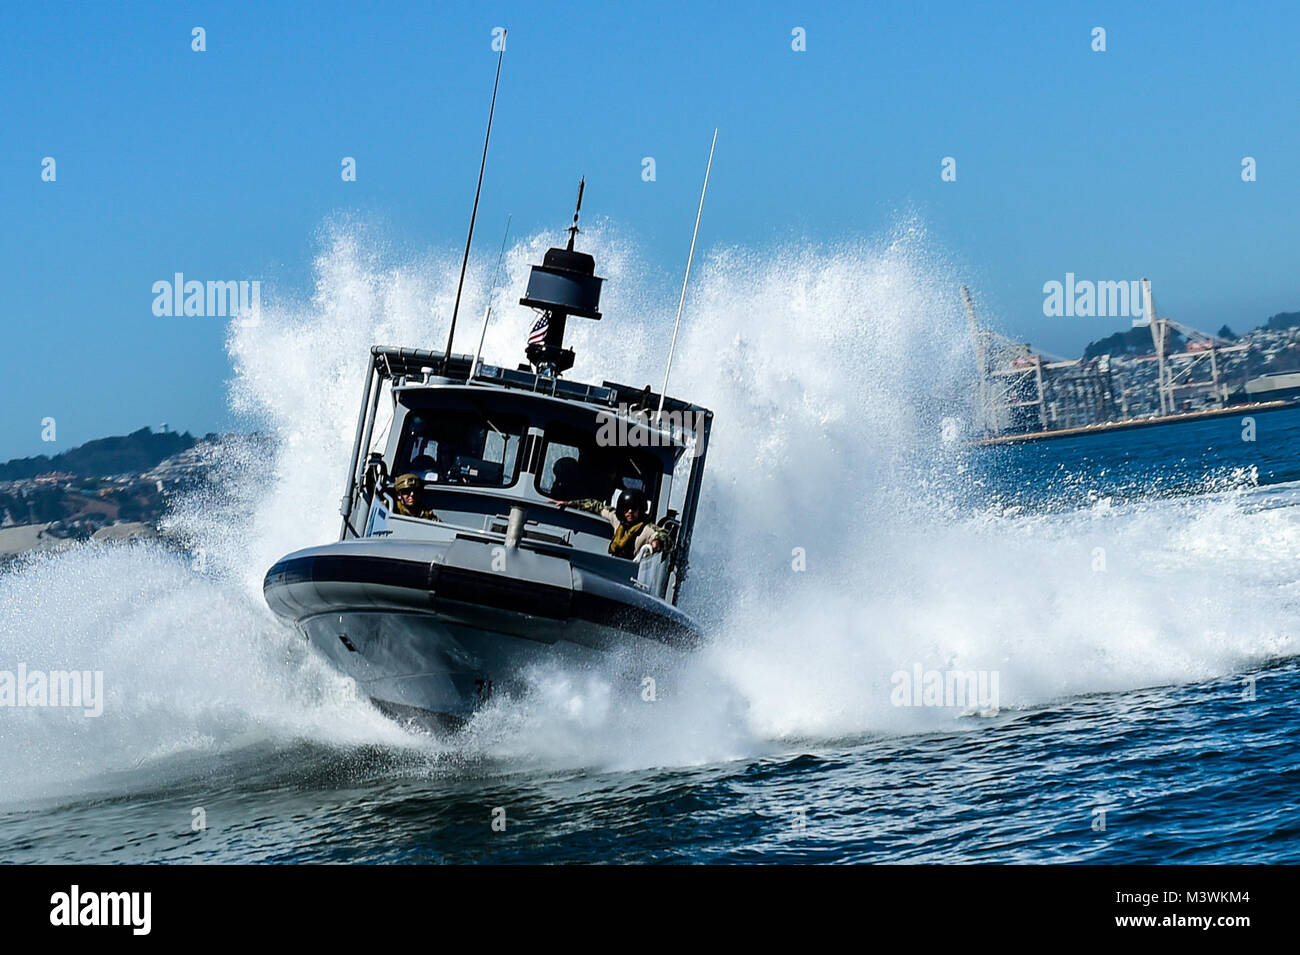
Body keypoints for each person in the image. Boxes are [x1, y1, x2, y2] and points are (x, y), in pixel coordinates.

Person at [551, 488, 668, 559]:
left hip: (633, 570)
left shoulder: (647, 528)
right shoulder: (617, 519)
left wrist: (656, 542)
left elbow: (662, 534)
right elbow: (596, 506)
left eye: (634, 508)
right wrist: (569, 503)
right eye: (626, 508)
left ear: (641, 509)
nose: (630, 512)